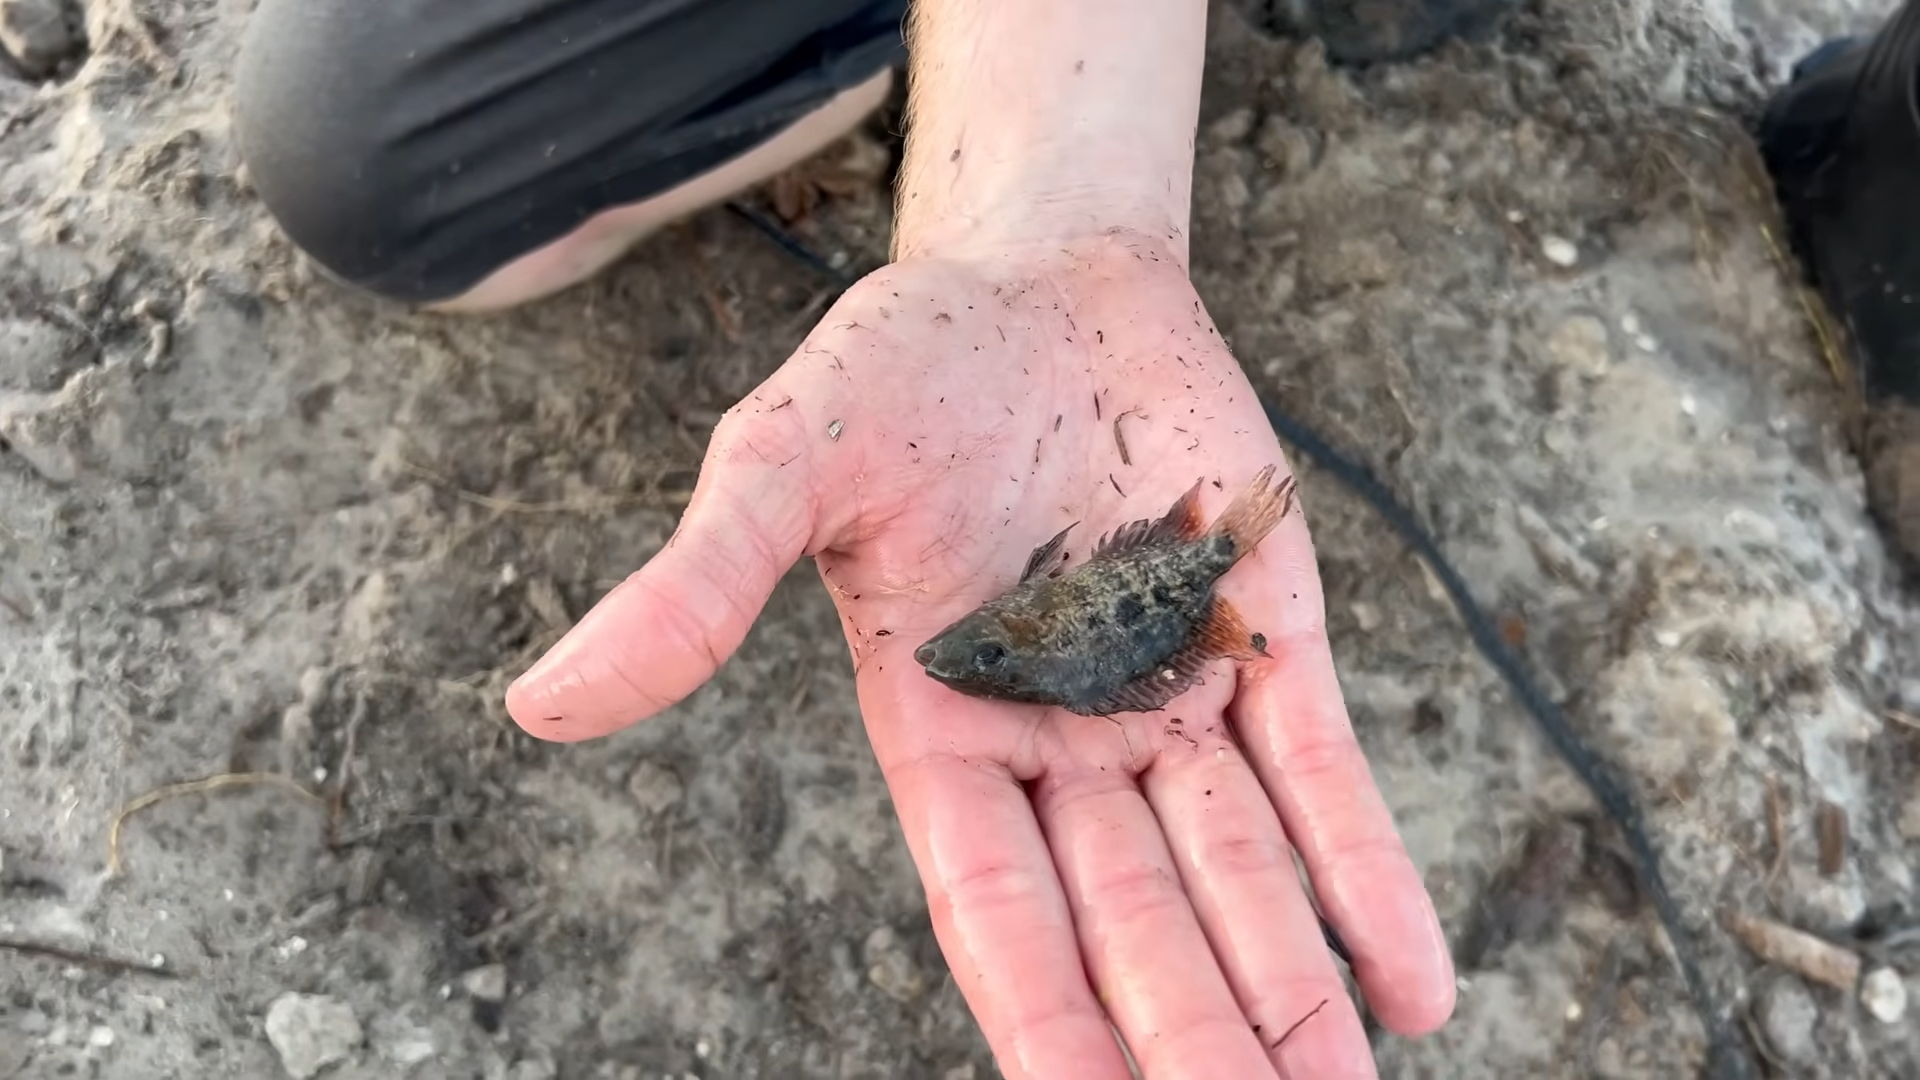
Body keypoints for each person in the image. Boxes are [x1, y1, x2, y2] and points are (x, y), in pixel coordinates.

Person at [228, 0, 1917, 1076]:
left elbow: (1077, 641)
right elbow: (1075, 639)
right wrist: (1034, 206)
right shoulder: (1047, 630)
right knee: (371, 157)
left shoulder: (1056, 630)